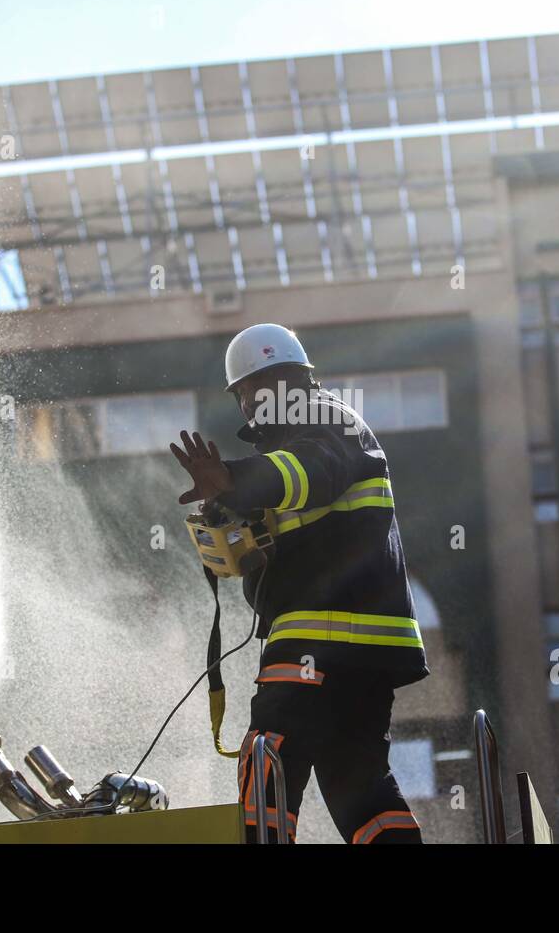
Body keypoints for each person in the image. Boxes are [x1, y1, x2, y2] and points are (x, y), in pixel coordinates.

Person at [171, 322, 428, 844]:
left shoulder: (320, 420)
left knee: (269, 751)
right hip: (369, 651)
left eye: (249, 391)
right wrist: (245, 546)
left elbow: (314, 471)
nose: (248, 405)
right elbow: (304, 519)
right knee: (358, 783)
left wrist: (236, 481)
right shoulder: (311, 433)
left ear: (287, 384)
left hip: (321, 635)